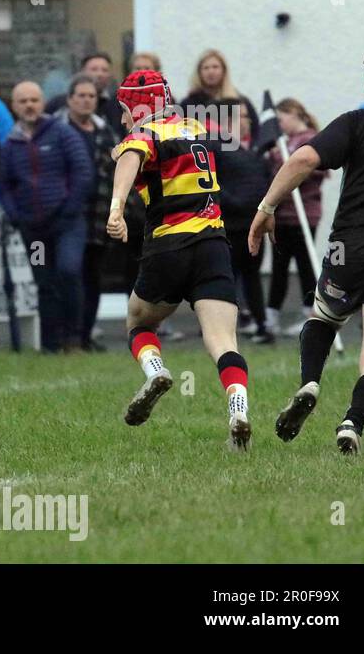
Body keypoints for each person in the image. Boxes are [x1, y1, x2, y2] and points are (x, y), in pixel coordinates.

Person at [249, 42, 364, 454]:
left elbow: (301, 160)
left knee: (324, 319)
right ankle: (352, 424)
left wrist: (266, 207)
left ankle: (310, 381)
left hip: (349, 247)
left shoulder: (356, 122)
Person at [106, 70, 252, 449]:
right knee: (223, 340)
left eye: (124, 111)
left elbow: (132, 154)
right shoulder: (196, 128)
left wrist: (116, 208)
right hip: (214, 246)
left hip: (168, 246)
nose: (123, 119)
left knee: (138, 321)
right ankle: (239, 408)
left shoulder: (143, 133)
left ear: (138, 107)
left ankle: (155, 372)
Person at [0, 81, 93, 352]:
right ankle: (50, 344)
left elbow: (82, 173)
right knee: (43, 282)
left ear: (42, 103)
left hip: (67, 225)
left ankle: (75, 338)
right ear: (14, 106)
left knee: (68, 270)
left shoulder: (63, 133)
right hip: (33, 229)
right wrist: (16, 215)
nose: (29, 105)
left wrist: (69, 210)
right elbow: (4, 185)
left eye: (34, 100)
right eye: (23, 101)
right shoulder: (11, 143)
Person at [58, 74, 121, 350]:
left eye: (91, 96)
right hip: (67, 214)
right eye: (80, 95)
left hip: (99, 214)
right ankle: (66, 334)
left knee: (94, 276)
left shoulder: (106, 131)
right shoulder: (57, 129)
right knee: (69, 273)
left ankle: (85, 335)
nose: (86, 100)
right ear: (70, 99)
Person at [214, 102, 273, 343]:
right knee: (225, 278)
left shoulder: (257, 153)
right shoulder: (217, 148)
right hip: (229, 225)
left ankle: (261, 324)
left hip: (253, 225)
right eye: (240, 118)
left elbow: (267, 184)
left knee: (252, 277)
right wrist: (233, 202)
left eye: (248, 117)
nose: (246, 122)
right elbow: (212, 182)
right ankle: (222, 330)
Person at [265, 98, 323, 336]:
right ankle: (271, 315)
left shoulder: (310, 139)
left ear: (294, 114)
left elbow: (303, 167)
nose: (279, 125)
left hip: (304, 216)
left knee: (304, 264)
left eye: (281, 119)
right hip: (283, 216)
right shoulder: (285, 142)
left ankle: (310, 312)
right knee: (279, 266)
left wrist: (279, 157)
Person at [182, 49, 259, 142]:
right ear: (199, 73)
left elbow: (256, 132)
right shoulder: (188, 104)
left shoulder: (239, 102)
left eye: (215, 67)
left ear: (224, 70)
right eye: (206, 68)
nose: (211, 72)